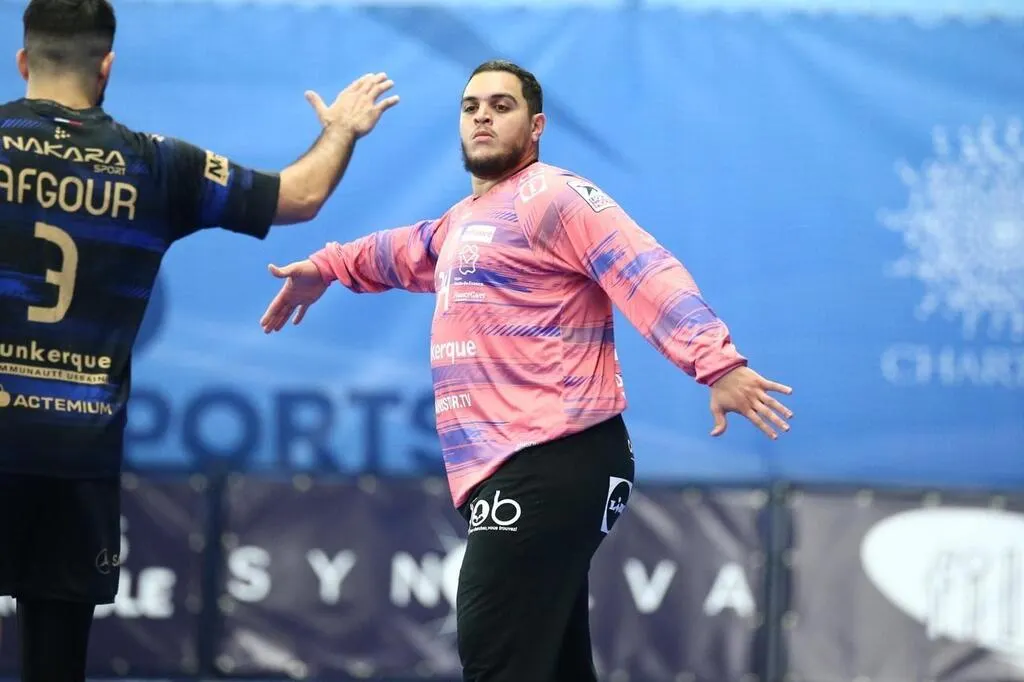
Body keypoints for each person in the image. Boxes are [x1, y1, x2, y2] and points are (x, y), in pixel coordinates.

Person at [260, 59, 793, 681]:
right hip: (521, 467)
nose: (482, 114)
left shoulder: (552, 197)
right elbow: (402, 251)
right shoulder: (466, 222)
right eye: (471, 106)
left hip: (554, 458)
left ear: (535, 126)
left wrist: (715, 362)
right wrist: (325, 267)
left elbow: (642, 268)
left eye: (501, 105)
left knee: (497, 656)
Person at [0, 0, 399, 679]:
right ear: (107, 67)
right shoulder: (156, 165)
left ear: (22, 59)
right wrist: (340, 131)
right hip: (75, 456)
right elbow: (299, 196)